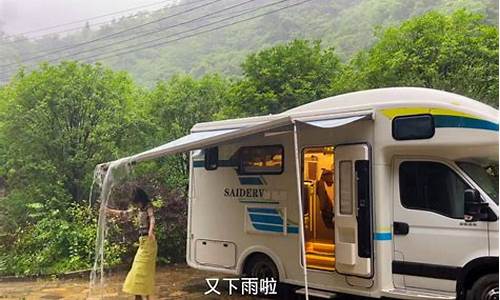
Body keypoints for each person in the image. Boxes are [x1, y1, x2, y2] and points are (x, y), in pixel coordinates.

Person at [106, 187, 157, 300]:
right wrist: (109, 211)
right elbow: (125, 214)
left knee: (144, 271)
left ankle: (145, 296)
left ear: (141, 199)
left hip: (149, 242)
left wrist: (151, 231)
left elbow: (152, 218)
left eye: (137, 202)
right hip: (142, 242)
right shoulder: (138, 209)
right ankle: (138, 296)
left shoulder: (148, 207)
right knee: (137, 270)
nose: (137, 204)